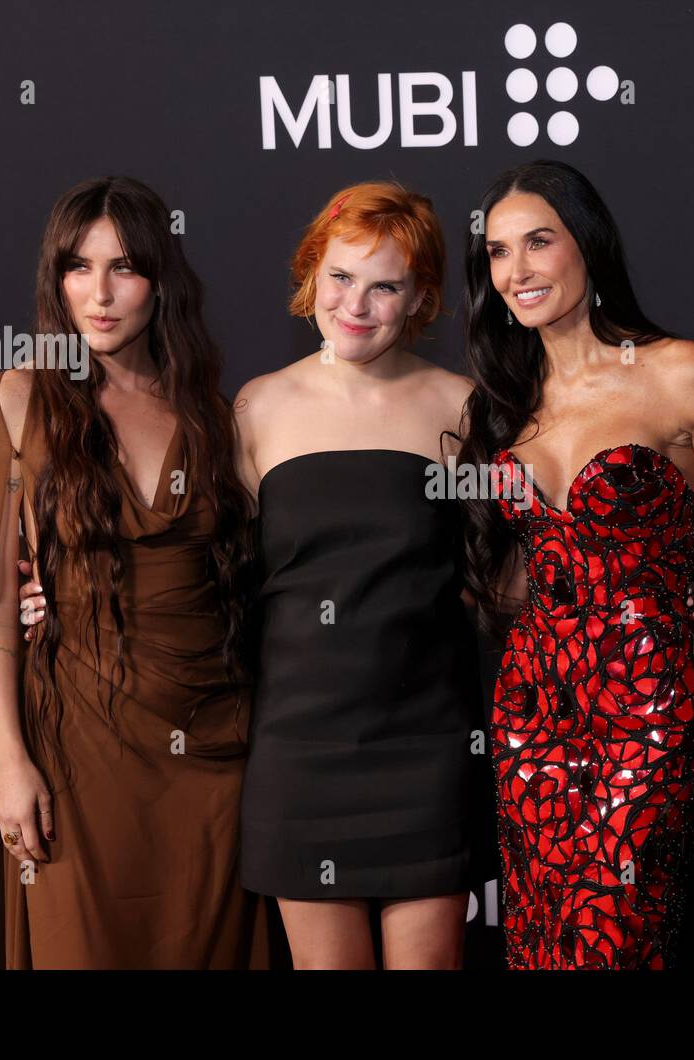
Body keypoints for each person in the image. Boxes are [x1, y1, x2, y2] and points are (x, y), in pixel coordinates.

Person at [0, 176, 269, 969]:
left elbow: (257, 585)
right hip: (78, 756)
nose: (101, 293)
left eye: (124, 267)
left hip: (217, 759)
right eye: (77, 268)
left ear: (163, 278)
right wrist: (9, 761)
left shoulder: (217, 419)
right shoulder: (16, 403)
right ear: (55, 280)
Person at [457, 160, 694, 969]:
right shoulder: (500, 400)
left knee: (619, 940)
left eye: (539, 242)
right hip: (533, 712)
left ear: (588, 246)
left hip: (651, 713)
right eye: (499, 253)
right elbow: (505, 576)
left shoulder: (681, 372)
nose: (517, 271)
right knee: (542, 944)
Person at [230, 182, 486, 969]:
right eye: (342, 277)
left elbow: (500, 580)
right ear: (312, 272)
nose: (357, 305)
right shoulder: (256, 408)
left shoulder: (462, 408)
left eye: (386, 287)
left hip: (427, 749)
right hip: (301, 754)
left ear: (420, 301)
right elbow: (213, 574)